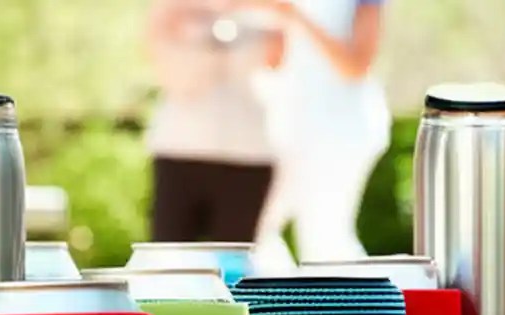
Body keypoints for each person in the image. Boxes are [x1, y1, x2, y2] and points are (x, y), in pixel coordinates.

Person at [250, 0, 390, 270]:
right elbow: (274, 58)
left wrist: (295, 17)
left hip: (341, 128)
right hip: (290, 126)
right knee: (257, 231)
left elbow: (355, 65)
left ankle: (361, 310)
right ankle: (282, 308)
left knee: (324, 236)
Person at [145, 0, 276, 247]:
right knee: (168, 259)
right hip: (180, 148)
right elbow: (161, 60)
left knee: (234, 267)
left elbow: (281, 60)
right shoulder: (172, 7)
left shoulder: (263, 12)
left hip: (248, 154)